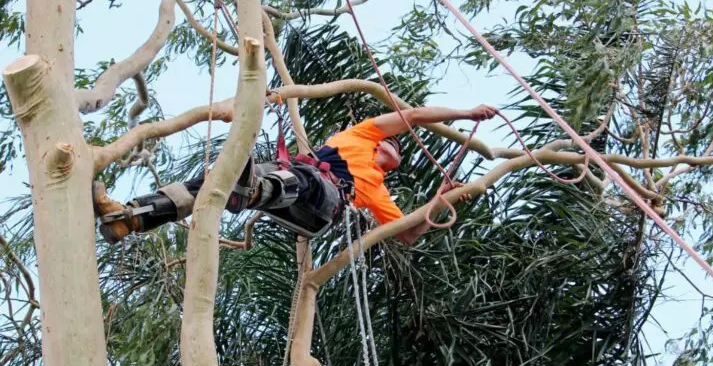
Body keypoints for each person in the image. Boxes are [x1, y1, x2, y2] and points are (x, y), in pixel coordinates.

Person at [93, 104, 497, 244]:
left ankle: (249, 190)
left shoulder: (376, 190)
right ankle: (133, 217)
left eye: (398, 149)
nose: (394, 146)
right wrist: (465, 114)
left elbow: (407, 234)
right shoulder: (360, 135)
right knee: (212, 181)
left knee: (304, 180)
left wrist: (440, 198)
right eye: (393, 141)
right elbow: (411, 116)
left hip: (320, 206)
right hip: (288, 187)